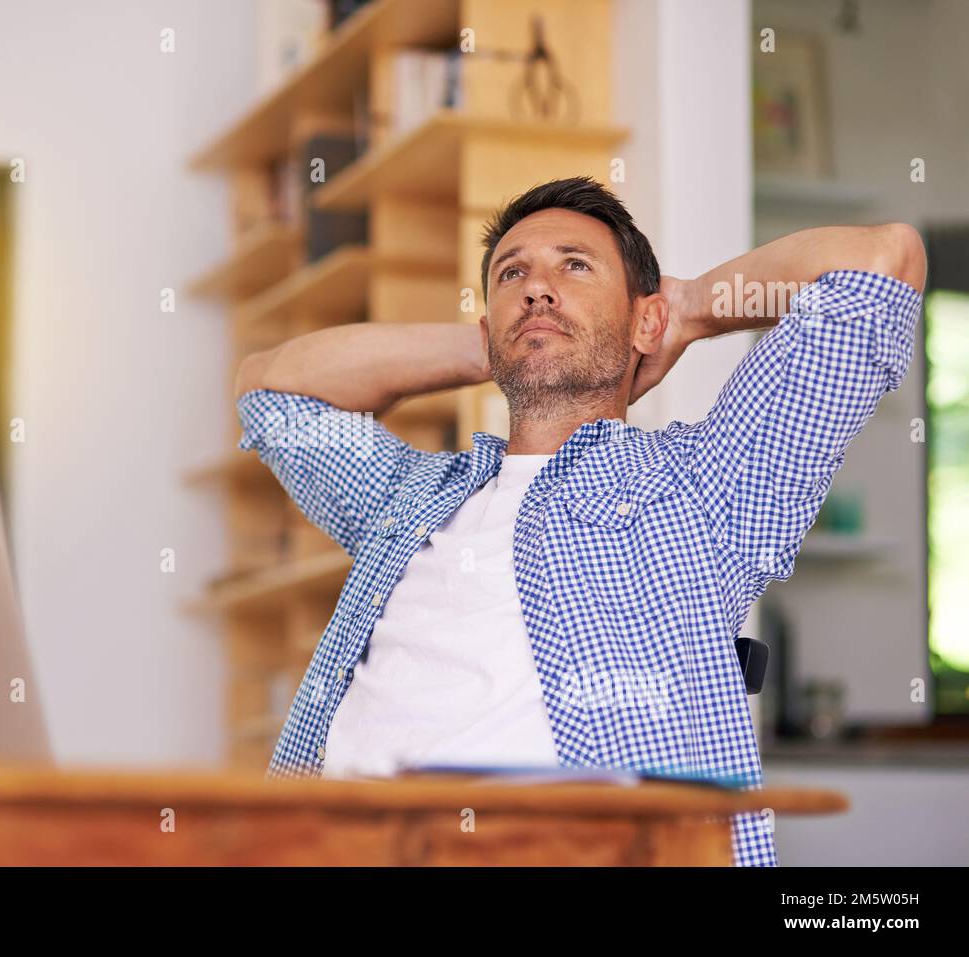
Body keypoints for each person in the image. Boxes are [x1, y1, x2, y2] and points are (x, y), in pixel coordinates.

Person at [233, 176, 927, 867]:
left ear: (643, 319)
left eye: (574, 265)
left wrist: (686, 309)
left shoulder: (709, 484)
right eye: (513, 274)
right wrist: (498, 347)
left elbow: (882, 261)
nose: (537, 288)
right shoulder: (411, 496)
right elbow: (270, 389)